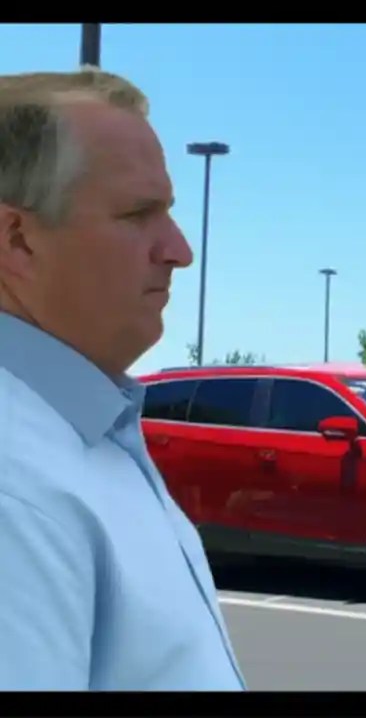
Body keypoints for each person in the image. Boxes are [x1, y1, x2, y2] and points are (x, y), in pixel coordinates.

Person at [0, 69, 245, 690]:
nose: (180, 249)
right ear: (17, 240)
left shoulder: (85, 433)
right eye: (140, 214)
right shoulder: (15, 490)